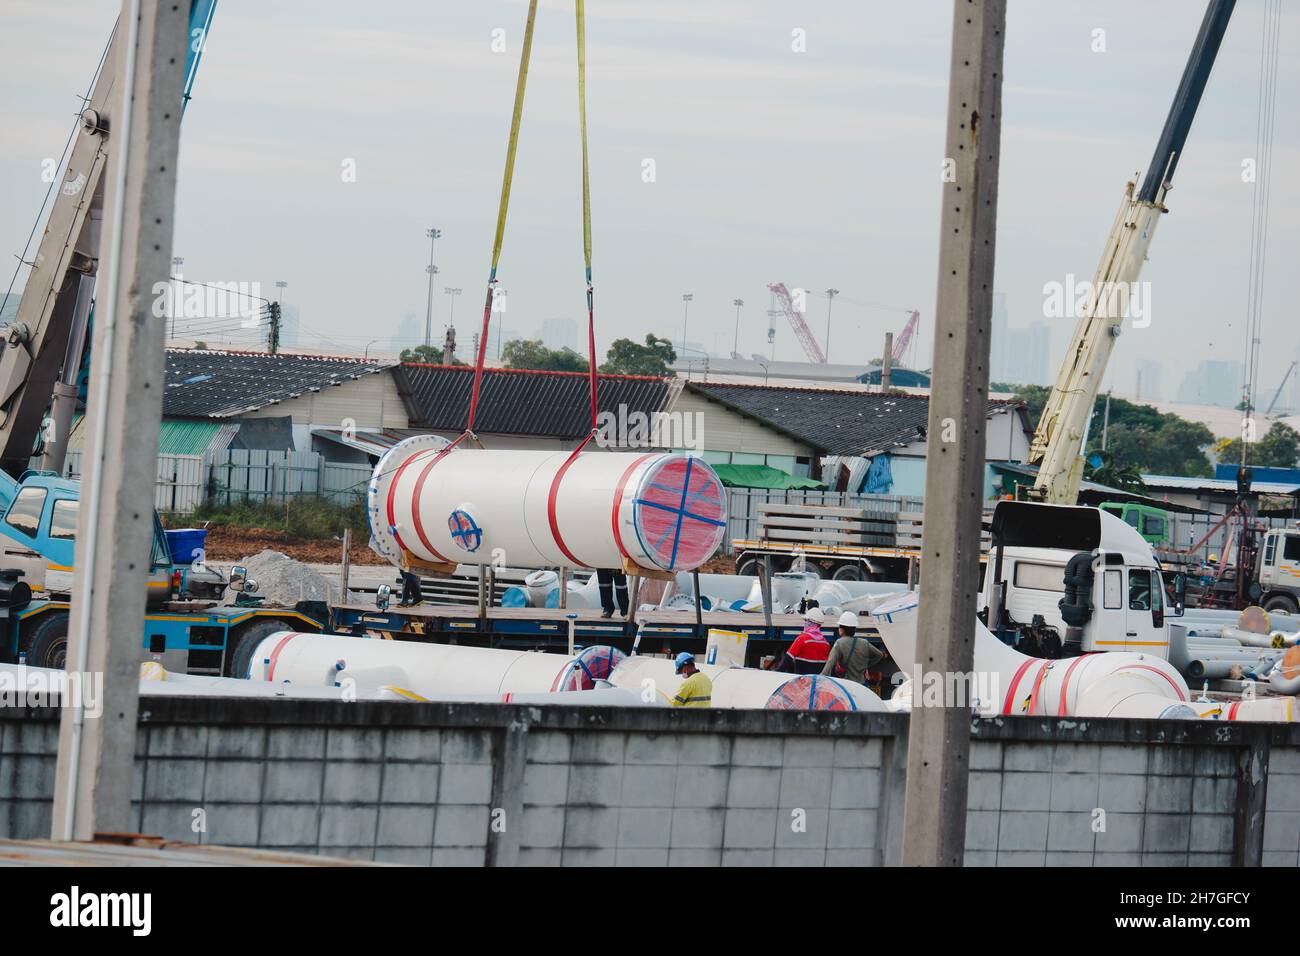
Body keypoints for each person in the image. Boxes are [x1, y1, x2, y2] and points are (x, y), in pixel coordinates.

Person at [821, 611, 884, 686]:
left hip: (847, 685)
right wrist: (866, 665)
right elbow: (879, 655)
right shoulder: (864, 643)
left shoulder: (840, 643)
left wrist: (820, 680)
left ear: (842, 629)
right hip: (862, 684)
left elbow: (830, 665)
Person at [768, 606, 830, 674]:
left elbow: (787, 659)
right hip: (817, 682)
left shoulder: (802, 639)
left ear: (810, 622)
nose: (805, 623)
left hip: (802, 682)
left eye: (806, 621)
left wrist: (776, 674)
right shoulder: (826, 643)